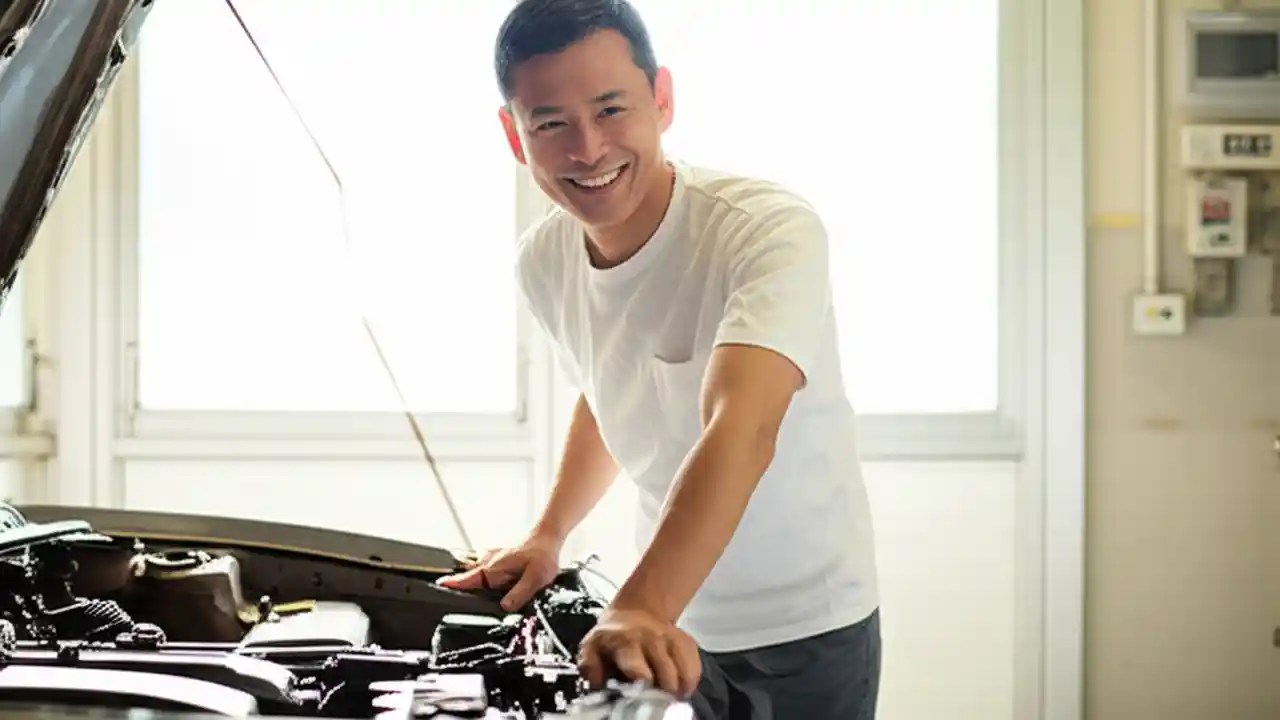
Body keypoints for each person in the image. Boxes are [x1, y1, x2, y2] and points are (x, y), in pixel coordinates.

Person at [437, 1, 881, 717]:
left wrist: (642, 605)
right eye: (550, 122)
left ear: (662, 99)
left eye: (611, 110)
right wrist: (549, 535)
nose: (586, 148)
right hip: (672, 621)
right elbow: (610, 390)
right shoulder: (543, 260)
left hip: (808, 623)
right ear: (514, 137)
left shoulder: (767, 231)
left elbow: (744, 427)